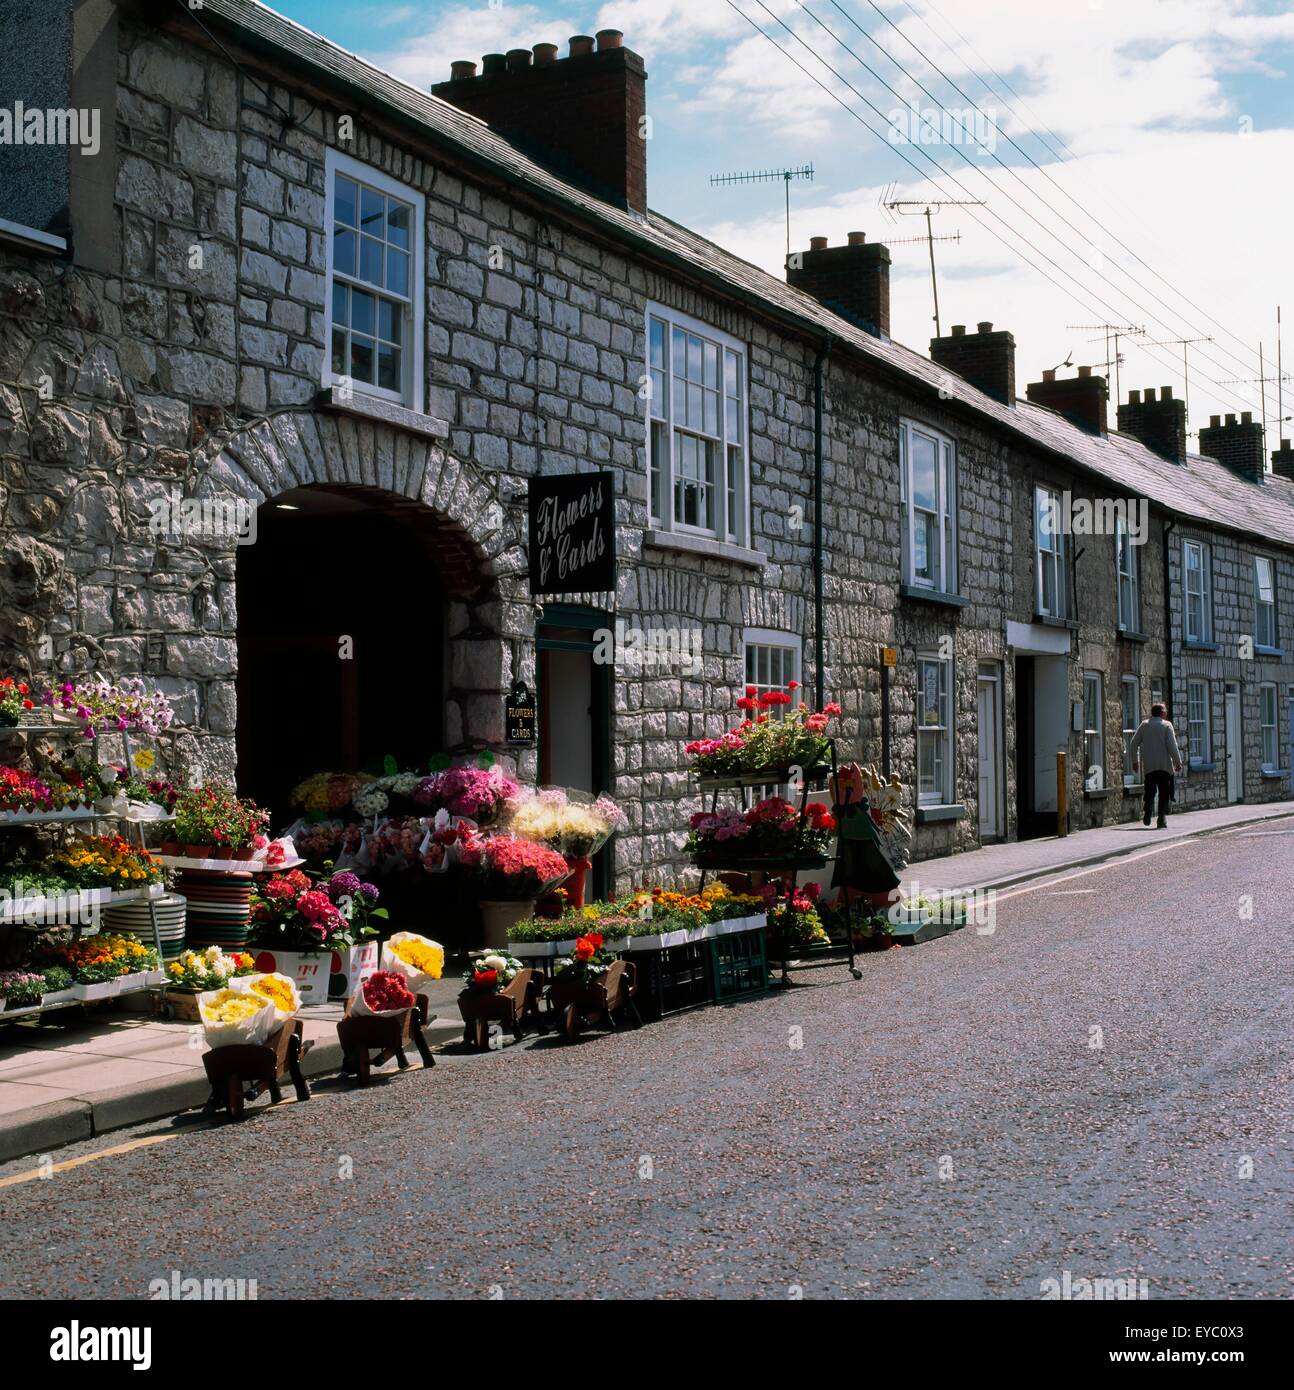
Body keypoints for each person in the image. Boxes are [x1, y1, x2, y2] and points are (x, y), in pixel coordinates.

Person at [1130, 702, 1183, 828]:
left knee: (1150, 791)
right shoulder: (1166, 725)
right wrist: (1177, 762)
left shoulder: (1144, 725)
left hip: (1149, 766)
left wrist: (1134, 761)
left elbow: (1133, 744)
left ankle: (1148, 810)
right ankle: (1161, 818)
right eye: (1165, 710)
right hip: (1164, 766)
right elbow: (1172, 746)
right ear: (1162, 713)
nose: (1166, 712)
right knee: (1164, 793)